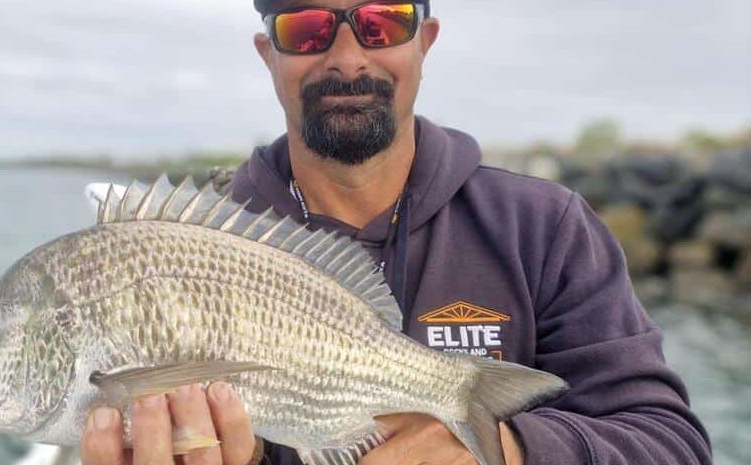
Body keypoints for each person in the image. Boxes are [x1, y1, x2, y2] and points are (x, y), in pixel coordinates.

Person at [81, 1, 713, 464]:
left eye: (382, 22)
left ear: (424, 41)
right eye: (307, 28)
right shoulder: (197, 241)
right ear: (267, 52)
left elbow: (671, 444)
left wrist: (509, 450)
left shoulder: (544, 227)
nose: (348, 57)